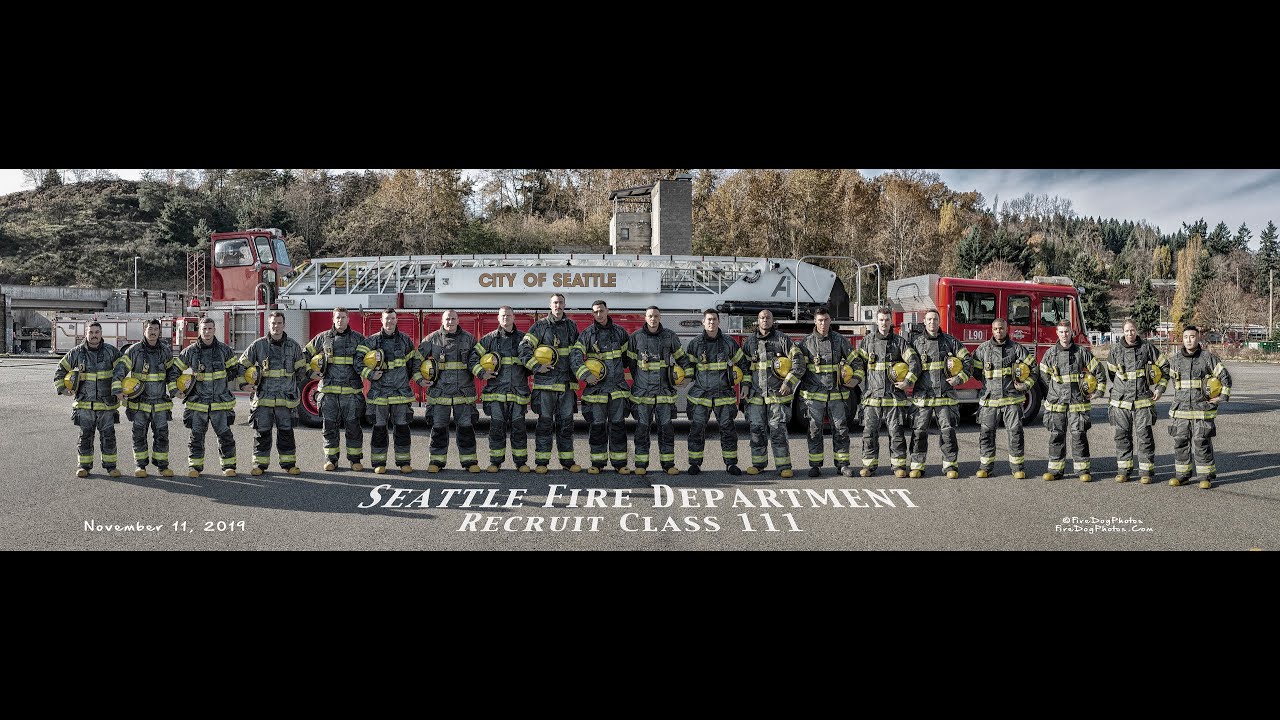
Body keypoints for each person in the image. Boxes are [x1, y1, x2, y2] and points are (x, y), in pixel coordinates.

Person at [852, 306, 920, 478]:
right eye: (881, 320)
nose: (884, 323)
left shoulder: (900, 342)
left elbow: (914, 361)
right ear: (877, 321)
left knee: (896, 433)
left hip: (894, 398)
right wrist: (857, 380)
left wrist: (908, 382)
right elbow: (858, 363)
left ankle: (898, 466)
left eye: (887, 320)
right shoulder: (867, 342)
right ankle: (868, 465)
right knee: (869, 433)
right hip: (872, 398)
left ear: (891, 321)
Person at [239, 311, 308, 475]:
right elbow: (242, 364)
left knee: (286, 433)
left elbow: (301, 370)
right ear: (268, 326)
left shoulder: (293, 346)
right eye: (273, 324)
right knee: (262, 433)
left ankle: (289, 464)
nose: (276, 326)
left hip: (286, 400)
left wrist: (291, 386)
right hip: (264, 399)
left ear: (284, 325)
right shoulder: (258, 345)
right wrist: (244, 384)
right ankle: (259, 465)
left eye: (279, 323)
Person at [519, 293, 581, 474]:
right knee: (545, 424)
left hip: (567, 386)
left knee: (566, 424)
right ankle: (541, 462)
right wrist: (537, 367)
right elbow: (523, 348)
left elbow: (577, 352)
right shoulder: (539, 326)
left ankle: (568, 461)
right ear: (550, 305)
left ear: (564, 305)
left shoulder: (571, 327)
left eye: (561, 302)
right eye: (555, 303)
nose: (558, 306)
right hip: (545, 386)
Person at [908, 308, 973, 478]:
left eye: (935, 319)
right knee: (919, 431)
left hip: (945, 396)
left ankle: (950, 466)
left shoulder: (950, 341)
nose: (932, 322)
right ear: (924, 322)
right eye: (929, 319)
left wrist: (958, 379)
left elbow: (968, 360)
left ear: (939, 321)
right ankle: (917, 465)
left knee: (948, 431)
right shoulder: (916, 343)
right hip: (923, 396)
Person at [53, 321, 124, 477]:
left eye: (96, 332)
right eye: (91, 332)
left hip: (107, 405)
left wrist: (119, 389)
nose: (93, 335)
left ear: (101, 334)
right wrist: (63, 389)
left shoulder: (111, 352)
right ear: (86, 334)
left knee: (109, 437)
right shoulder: (76, 353)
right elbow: (60, 370)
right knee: (85, 437)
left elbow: (122, 371)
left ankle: (111, 467)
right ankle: (84, 467)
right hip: (85, 404)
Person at [1104, 318, 1170, 483]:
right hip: (1121, 402)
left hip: (1142, 401)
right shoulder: (1115, 350)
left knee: (1144, 436)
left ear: (1136, 330)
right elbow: (1112, 374)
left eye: (1132, 330)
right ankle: (1124, 470)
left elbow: (1165, 367)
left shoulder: (1147, 348)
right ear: (1122, 332)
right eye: (1126, 331)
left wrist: (1160, 389)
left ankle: (1145, 472)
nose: (1129, 333)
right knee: (1121, 436)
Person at [570, 299, 632, 474]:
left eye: (601, 311)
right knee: (597, 427)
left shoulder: (620, 333)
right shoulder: (587, 334)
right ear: (592, 313)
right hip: (596, 392)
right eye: (595, 312)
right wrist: (585, 375)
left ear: (607, 310)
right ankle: (597, 463)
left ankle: (620, 464)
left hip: (617, 391)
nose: (599, 314)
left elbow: (630, 359)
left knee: (618, 426)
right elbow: (575, 356)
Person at [1166, 325, 1232, 489]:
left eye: (1193, 337)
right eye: (1186, 337)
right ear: (1183, 339)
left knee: (1201, 442)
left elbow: (1225, 378)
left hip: (1202, 410)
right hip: (1181, 410)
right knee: (1180, 442)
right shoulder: (1174, 361)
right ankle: (1182, 476)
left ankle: (1205, 477)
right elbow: (1169, 381)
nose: (1189, 340)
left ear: (1198, 338)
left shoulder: (1208, 358)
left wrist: (1221, 397)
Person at [1039, 318, 1105, 481]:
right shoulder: (1050, 354)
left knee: (1079, 435)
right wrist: (1053, 392)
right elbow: (1043, 376)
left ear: (1072, 332)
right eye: (1061, 332)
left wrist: (1097, 391)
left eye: (1067, 332)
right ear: (1057, 333)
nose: (1064, 335)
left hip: (1078, 402)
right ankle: (1055, 470)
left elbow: (1099, 371)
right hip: (1057, 403)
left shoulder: (1081, 352)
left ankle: (1082, 471)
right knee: (1056, 435)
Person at [416, 309, 481, 473]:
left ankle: (470, 462)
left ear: (458, 320)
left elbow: (477, 361)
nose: (450, 322)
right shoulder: (432, 339)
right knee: (438, 429)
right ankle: (436, 462)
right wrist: (419, 379)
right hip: (439, 394)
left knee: (466, 429)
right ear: (442, 320)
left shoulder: (469, 339)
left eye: (453, 318)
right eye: (447, 319)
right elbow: (415, 360)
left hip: (463, 394)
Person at [626, 306, 689, 477]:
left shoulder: (670, 336)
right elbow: (631, 364)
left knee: (666, 430)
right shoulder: (636, 338)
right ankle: (640, 464)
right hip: (642, 395)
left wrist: (686, 378)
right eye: (650, 316)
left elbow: (682, 358)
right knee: (641, 431)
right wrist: (640, 382)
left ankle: (668, 465)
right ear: (645, 318)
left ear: (660, 318)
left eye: (656, 316)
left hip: (664, 394)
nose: (653, 319)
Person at [740, 310, 804, 477]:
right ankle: (758, 465)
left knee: (778, 431)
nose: (765, 320)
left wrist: (788, 382)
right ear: (757, 321)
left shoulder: (782, 339)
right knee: (756, 431)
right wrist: (745, 386)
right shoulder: (750, 342)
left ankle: (784, 467)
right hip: (756, 396)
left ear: (772, 320)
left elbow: (799, 361)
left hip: (777, 396)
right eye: (762, 317)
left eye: (768, 318)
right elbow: (745, 367)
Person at [685, 308, 748, 475]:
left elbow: (743, 364)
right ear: (703, 322)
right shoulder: (695, 344)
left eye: (714, 319)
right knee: (697, 430)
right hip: (701, 396)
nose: (711, 322)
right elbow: (688, 368)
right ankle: (695, 464)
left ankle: (731, 464)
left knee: (728, 430)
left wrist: (746, 385)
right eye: (709, 320)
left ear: (719, 322)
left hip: (723, 396)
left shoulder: (728, 343)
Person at [971, 318, 1037, 479]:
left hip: (1012, 401)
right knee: (986, 433)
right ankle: (985, 467)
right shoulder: (983, 350)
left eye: (1001, 328)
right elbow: (976, 372)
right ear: (991, 330)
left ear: (1006, 329)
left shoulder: (1017, 349)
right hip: (989, 400)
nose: (998, 331)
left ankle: (1017, 468)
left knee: (1015, 433)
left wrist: (1025, 385)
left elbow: (1034, 369)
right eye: (995, 329)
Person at [305, 307, 369, 471]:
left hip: (351, 394)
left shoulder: (358, 339)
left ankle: (355, 460)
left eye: (343, 317)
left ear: (348, 319)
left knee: (354, 428)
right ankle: (331, 460)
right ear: (333, 319)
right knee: (329, 428)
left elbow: (369, 360)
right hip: (329, 393)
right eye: (337, 317)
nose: (340, 320)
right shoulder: (323, 338)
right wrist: (310, 373)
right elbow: (305, 354)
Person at [174, 317, 240, 477]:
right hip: (198, 403)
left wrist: (228, 384)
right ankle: (194, 468)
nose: (207, 332)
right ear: (199, 330)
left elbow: (235, 369)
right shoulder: (190, 351)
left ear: (214, 330)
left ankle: (228, 467)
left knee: (225, 436)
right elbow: (175, 370)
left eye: (210, 329)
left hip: (220, 403)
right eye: (204, 329)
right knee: (196, 437)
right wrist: (177, 390)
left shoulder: (225, 350)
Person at [363, 308, 422, 474]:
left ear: (397, 320)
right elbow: (358, 361)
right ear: (381, 320)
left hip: (400, 395)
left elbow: (414, 364)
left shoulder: (405, 340)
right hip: (379, 395)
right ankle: (379, 463)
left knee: (402, 429)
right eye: (386, 319)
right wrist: (370, 374)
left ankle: (404, 462)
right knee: (379, 429)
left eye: (392, 319)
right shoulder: (371, 341)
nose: (389, 322)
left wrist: (408, 379)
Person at [120, 318, 181, 477]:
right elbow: (120, 371)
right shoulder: (134, 351)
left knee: (162, 436)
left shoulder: (165, 351)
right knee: (139, 435)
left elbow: (172, 373)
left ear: (159, 331)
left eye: (155, 329)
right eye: (150, 329)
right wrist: (119, 391)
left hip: (160, 404)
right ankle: (140, 466)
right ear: (144, 331)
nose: (153, 332)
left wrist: (174, 390)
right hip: (139, 404)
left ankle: (162, 467)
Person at [475, 306, 531, 473]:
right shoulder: (488, 339)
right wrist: (481, 372)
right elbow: (472, 357)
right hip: (496, 393)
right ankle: (495, 462)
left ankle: (521, 462)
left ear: (514, 317)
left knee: (519, 429)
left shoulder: (524, 340)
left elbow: (531, 360)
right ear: (498, 319)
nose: (505, 318)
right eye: (502, 316)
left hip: (517, 392)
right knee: (496, 429)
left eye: (508, 315)